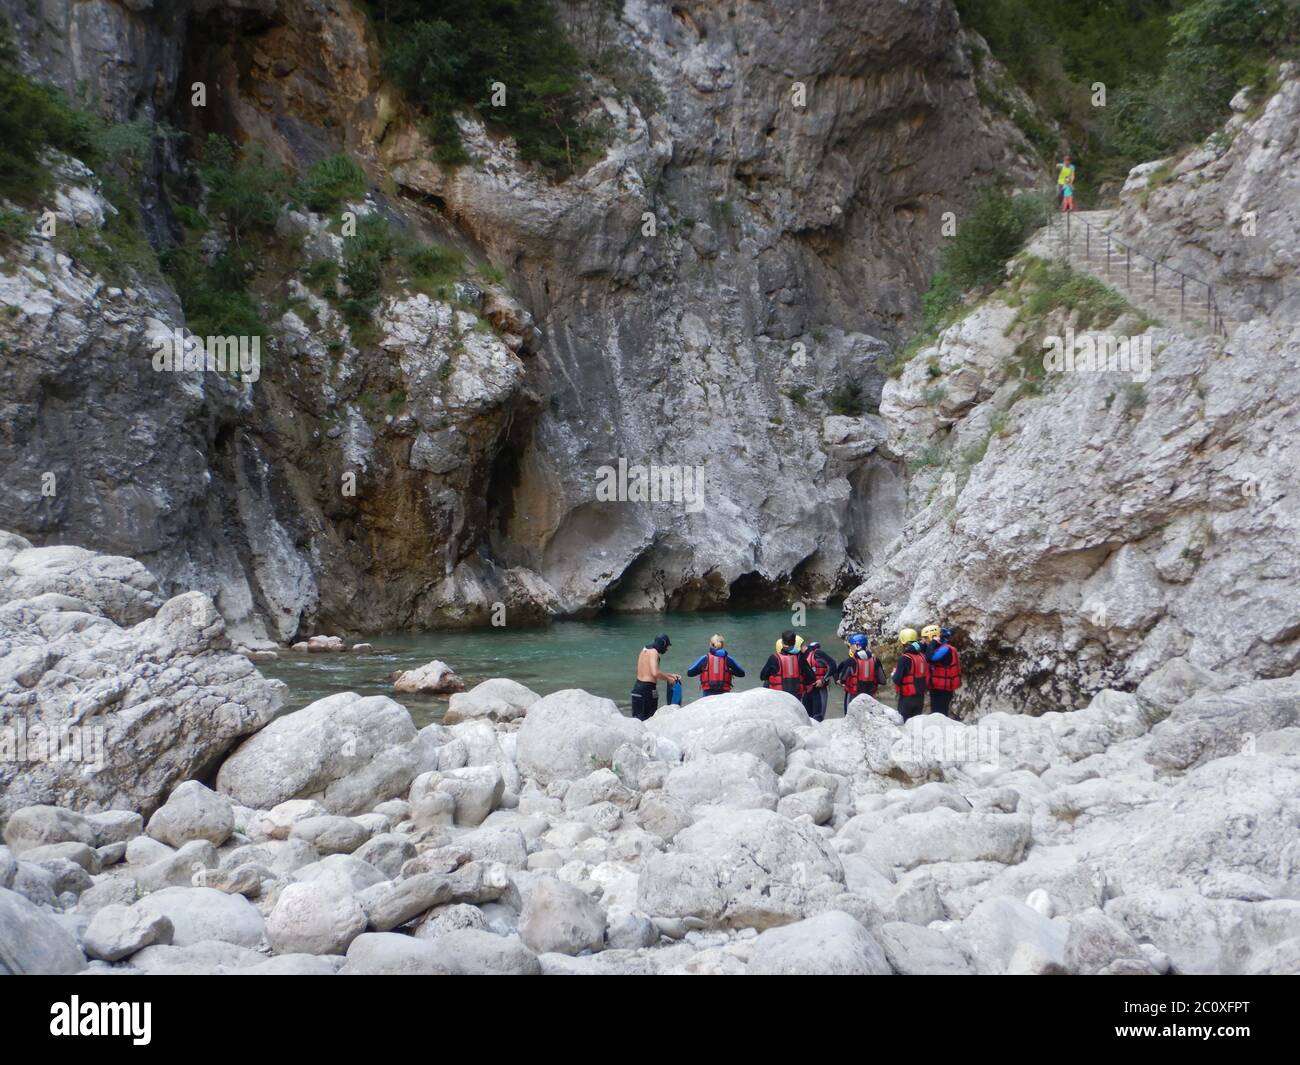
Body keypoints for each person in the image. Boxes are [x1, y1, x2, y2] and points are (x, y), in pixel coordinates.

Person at [631, 633, 678, 721]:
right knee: (650, 720)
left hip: (637, 689)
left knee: (637, 720)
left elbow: (648, 672)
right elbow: (655, 673)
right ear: (663, 644)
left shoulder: (645, 649)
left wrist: (670, 675)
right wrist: (668, 679)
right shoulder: (654, 653)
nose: (667, 649)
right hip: (647, 691)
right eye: (667, 646)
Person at [838, 633, 886, 716]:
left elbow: (843, 679)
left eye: (851, 645)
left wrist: (838, 680)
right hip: (870, 697)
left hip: (853, 697)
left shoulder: (851, 661)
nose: (850, 647)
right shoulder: (875, 661)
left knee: (849, 718)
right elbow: (883, 680)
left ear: (857, 646)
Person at [761, 629, 815, 699]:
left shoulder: (774, 658)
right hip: (796, 697)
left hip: (779, 696)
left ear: (782, 642)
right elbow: (812, 678)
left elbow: (762, 676)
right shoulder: (800, 657)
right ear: (795, 642)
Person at [922, 624, 961, 718]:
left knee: (940, 713)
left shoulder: (945, 649)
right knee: (935, 712)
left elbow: (930, 658)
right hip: (935, 687)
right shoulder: (937, 648)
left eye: (926, 638)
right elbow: (924, 652)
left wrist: (933, 642)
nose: (924, 641)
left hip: (943, 690)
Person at [892, 628, 928, 721]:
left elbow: (897, 679)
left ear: (903, 642)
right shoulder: (922, 656)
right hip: (920, 698)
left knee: (904, 725)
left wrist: (894, 673)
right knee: (915, 725)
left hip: (907, 699)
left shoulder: (904, 659)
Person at [801, 640, 837, 722]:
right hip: (807, 691)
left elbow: (832, 665)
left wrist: (823, 680)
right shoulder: (801, 657)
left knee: (818, 718)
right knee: (806, 718)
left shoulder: (818, 653)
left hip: (819, 690)